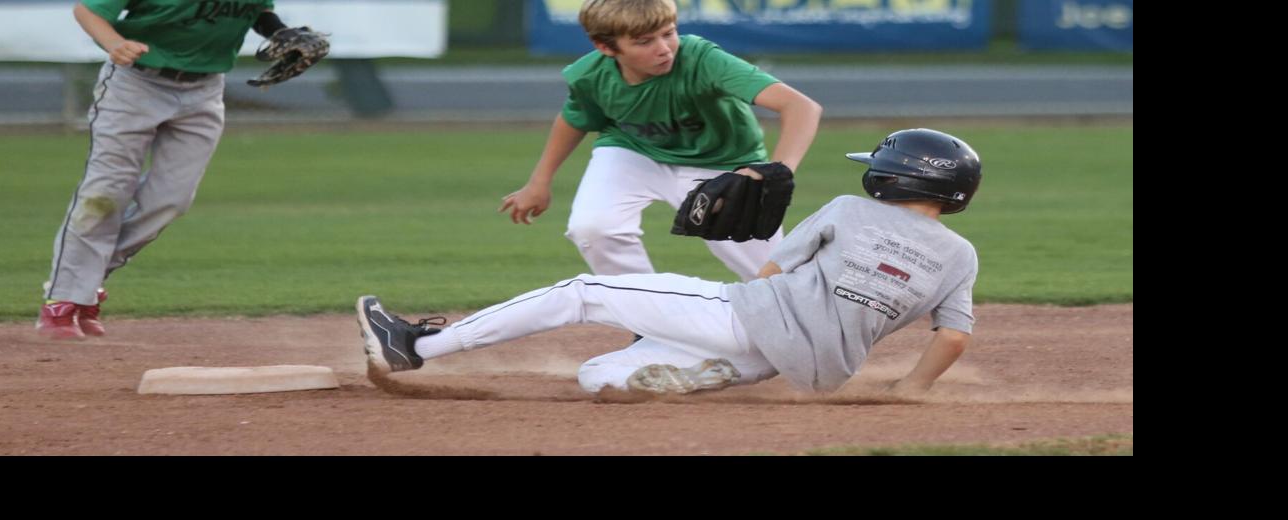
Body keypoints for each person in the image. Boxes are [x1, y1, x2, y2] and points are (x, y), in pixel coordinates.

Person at [359, 128, 981, 397]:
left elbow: (771, 272)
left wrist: (733, 306)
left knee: (583, 290)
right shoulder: (961, 255)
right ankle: (690, 376)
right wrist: (908, 389)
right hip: (809, 369)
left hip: (746, 320)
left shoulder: (848, 208)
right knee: (599, 375)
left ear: (891, 176)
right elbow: (951, 338)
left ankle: (415, 349)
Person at [498, 0, 823, 283]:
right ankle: (648, 320)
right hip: (632, 150)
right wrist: (539, 182)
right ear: (606, 47)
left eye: (668, 33)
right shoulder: (590, 76)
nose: (664, 48)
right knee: (593, 228)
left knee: (769, 274)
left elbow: (802, 107)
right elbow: (575, 120)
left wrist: (776, 171)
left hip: (722, 162)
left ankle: (800, 336)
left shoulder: (701, 58)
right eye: (644, 41)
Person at [36, 1, 304, 339]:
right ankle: (64, 298)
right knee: (104, 194)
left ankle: (87, 279)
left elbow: (257, 10)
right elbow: (88, 11)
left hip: (204, 91)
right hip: (136, 85)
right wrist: (114, 43)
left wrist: (280, 32)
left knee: (172, 199)